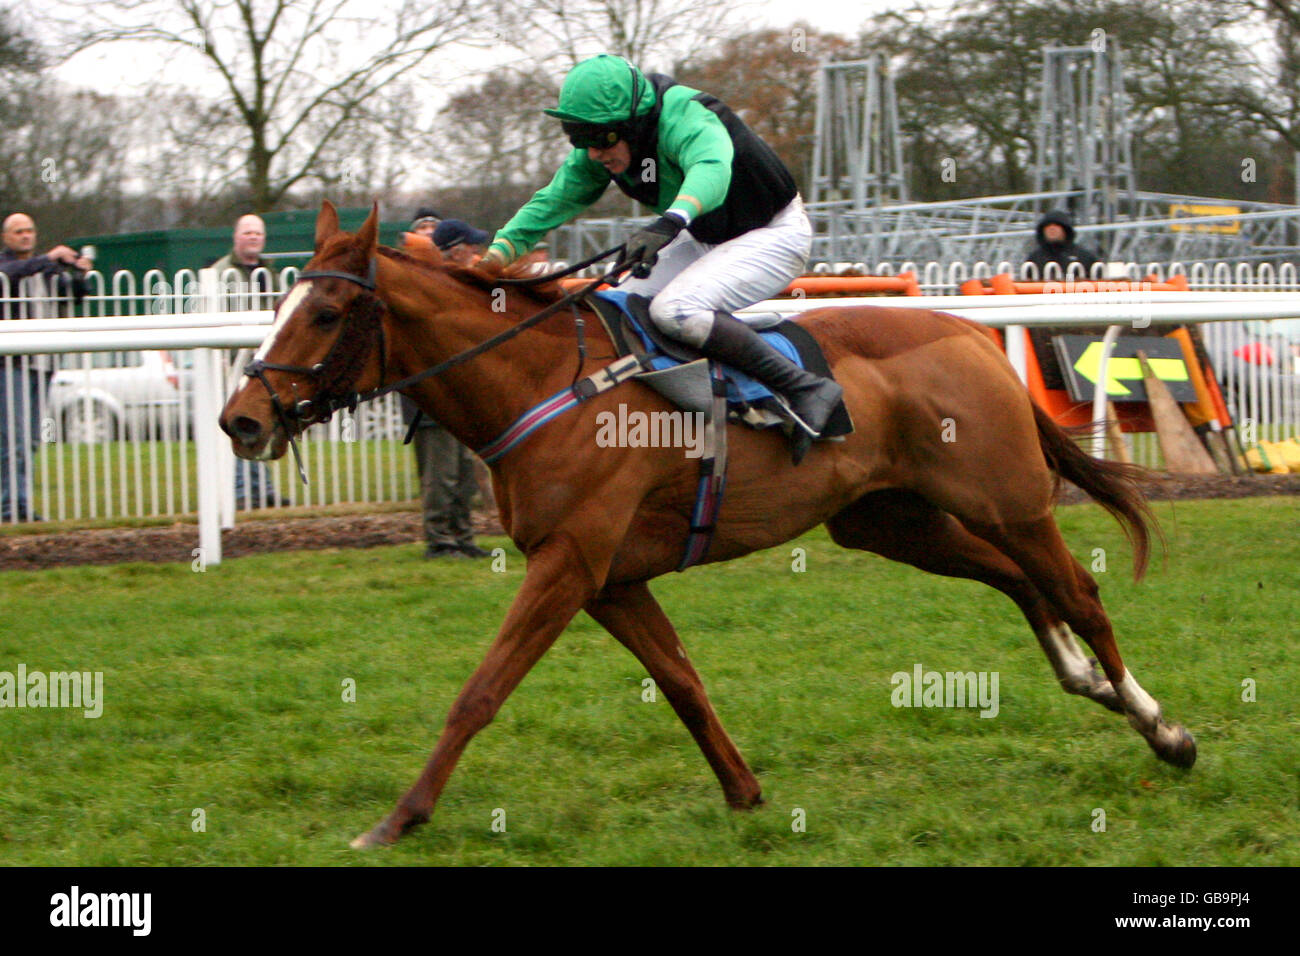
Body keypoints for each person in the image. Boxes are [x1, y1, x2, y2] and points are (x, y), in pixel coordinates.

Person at [481, 54, 842, 444]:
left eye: (601, 139)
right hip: (708, 237)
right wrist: (491, 261)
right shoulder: (600, 150)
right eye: (579, 140)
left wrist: (670, 222)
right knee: (617, 310)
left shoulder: (686, 115)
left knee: (675, 311)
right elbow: (551, 203)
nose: (594, 154)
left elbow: (712, 170)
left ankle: (804, 386)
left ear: (632, 124)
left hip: (774, 232)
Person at [400, 219, 492, 559]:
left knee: (464, 473)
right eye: (472, 247)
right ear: (456, 250)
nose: (478, 253)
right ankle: (440, 542)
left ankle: (462, 537)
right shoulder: (428, 288)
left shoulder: (456, 286)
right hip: (431, 401)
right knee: (441, 477)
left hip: (457, 399)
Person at [1, 213, 92, 522]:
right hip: (11, 363)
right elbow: (11, 272)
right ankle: (11, 506)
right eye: (18, 231)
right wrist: (48, 258)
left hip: (43, 363)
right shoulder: (8, 268)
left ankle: (20, 504)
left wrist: (79, 273)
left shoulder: (49, 271)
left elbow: (78, 297)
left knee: (30, 439)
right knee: (14, 438)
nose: (25, 236)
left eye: (29, 230)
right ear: (7, 237)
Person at [207, 214, 284, 509]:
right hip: (232, 362)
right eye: (248, 232)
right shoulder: (221, 273)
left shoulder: (270, 273)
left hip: (263, 362)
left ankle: (261, 489)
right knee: (240, 424)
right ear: (236, 237)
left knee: (260, 424)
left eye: (258, 233)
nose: (253, 237)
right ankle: (242, 490)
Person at [1027, 209, 1100, 279]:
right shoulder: (1035, 258)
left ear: (1065, 229)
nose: (1052, 228)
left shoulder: (1084, 257)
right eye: (1047, 225)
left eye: (1057, 225)